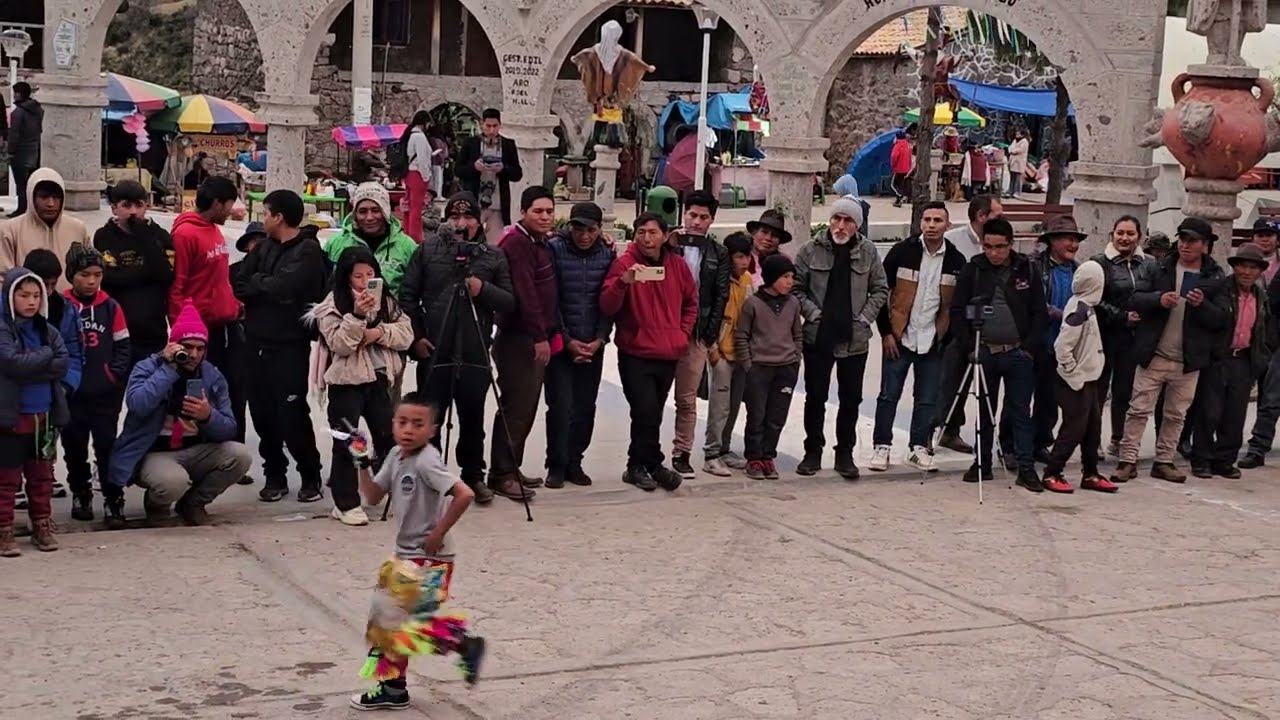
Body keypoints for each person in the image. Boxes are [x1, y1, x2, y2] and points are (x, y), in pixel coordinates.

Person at [347, 393, 484, 711]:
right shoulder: (396, 454)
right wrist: (362, 462)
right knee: (389, 625)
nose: (408, 430)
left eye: (418, 424)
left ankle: (458, 644)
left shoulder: (427, 460)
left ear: (432, 430)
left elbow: (463, 494)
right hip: (406, 554)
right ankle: (397, 685)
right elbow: (372, 496)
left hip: (431, 558)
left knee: (396, 626)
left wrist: (438, 534)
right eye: (402, 422)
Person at [400, 191, 515, 506]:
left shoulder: (493, 256)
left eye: (468, 218)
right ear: (445, 220)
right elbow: (408, 296)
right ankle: (428, 476)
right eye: (454, 218)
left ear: (480, 222)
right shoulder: (427, 251)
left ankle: (473, 475)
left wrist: (483, 289)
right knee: (430, 418)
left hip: (475, 348)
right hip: (435, 348)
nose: (461, 224)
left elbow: (509, 300)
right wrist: (416, 337)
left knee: (472, 418)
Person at [107, 300, 252, 526]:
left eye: (200, 348)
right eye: (188, 347)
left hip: (196, 449)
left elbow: (230, 427)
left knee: (240, 455)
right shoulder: (148, 367)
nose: (193, 354)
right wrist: (168, 369)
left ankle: (193, 503)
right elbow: (138, 404)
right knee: (173, 481)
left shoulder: (212, 376)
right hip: (154, 452)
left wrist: (208, 416)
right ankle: (157, 506)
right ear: (175, 344)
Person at [1112, 218, 1227, 485]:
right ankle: (1127, 460)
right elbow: (1134, 298)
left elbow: (1221, 319)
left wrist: (1203, 306)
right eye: (1182, 239)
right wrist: (1158, 300)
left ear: (1205, 245)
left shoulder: (1215, 276)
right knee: (1138, 409)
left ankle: (1164, 460)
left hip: (1188, 359)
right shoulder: (1160, 267)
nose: (1185, 245)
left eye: (1192, 241)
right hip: (1154, 353)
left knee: (1176, 415)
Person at [232, 190, 329, 503]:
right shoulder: (263, 248)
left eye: (266, 213)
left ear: (280, 217)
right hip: (255, 341)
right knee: (262, 413)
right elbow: (239, 280)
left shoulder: (308, 251)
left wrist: (261, 285)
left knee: (291, 411)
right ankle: (275, 472)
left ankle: (309, 473)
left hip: (289, 344)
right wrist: (264, 286)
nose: (263, 219)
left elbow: (287, 287)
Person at [311, 247, 414, 526]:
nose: (365, 281)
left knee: (387, 437)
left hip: (379, 378)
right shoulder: (331, 306)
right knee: (348, 441)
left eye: (370, 274)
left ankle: (388, 491)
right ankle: (345, 503)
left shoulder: (387, 302)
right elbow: (340, 344)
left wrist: (379, 332)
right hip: (346, 383)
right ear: (346, 278)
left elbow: (406, 334)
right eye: (358, 276)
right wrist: (356, 316)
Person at [792, 196, 889, 479]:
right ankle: (812, 452)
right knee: (815, 397)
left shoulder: (868, 251)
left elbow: (881, 289)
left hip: (855, 339)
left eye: (848, 221)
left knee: (851, 399)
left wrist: (864, 318)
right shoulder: (810, 250)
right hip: (817, 336)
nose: (841, 226)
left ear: (857, 225)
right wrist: (814, 314)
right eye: (837, 218)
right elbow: (797, 289)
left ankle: (845, 453)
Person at [600, 212, 697, 492]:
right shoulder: (624, 264)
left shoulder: (677, 266)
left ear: (665, 236)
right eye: (641, 232)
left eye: (653, 232)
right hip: (636, 351)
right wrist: (623, 283)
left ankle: (642, 464)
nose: (647, 238)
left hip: (668, 351)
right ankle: (646, 464)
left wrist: (682, 333)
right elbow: (607, 306)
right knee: (644, 410)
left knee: (652, 413)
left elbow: (691, 301)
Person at [949, 218, 1047, 491]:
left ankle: (1025, 467)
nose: (994, 253)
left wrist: (1028, 348)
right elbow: (957, 311)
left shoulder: (1026, 268)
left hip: (1018, 353)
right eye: (988, 246)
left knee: (1020, 413)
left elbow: (1040, 312)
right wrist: (970, 347)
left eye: (1000, 247)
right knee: (984, 410)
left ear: (1010, 244)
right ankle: (982, 462)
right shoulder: (974, 269)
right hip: (985, 352)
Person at [870, 201, 966, 473]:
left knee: (927, 398)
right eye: (927, 220)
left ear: (948, 225)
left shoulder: (956, 261)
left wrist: (945, 340)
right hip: (900, 338)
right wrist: (886, 333)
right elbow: (880, 293)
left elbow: (956, 307)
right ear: (920, 223)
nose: (932, 225)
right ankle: (882, 446)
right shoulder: (902, 252)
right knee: (889, 395)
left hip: (932, 341)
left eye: (938, 220)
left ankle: (918, 447)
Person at [488, 186, 558, 500]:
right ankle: (501, 473)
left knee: (526, 407)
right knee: (516, 407)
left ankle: (511, 466)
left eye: (548, 211)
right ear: (523, 213)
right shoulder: (517, 244)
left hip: (533, 337)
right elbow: (526, 295)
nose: (544, 217)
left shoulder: (539, 242)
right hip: (520, 339)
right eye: (537, 211)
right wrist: (539, 337)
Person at [169, 176, 245, 450]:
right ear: (216, 203)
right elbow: (177, 286)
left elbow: (218, 279)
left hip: (227, 325)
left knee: (233, 391)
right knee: (201, 394)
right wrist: (184, 334)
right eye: (229, 205)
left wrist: (234, 305)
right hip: (201, 332)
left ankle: (231, 449)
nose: (232, 211)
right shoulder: (185, 234)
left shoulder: (214, 229)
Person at [544, 202, 614, 489]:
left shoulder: (607, 255)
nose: (584, 236)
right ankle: (556, 464)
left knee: (585, 407)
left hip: (593, 342)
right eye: (578, 229)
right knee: (560, 406)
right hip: (562, 343)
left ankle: (575, 461)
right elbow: (552, 299)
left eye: (591, 230)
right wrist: (568, 339)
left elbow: (609, 302)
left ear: (599, 230)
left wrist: (599, 339)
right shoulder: (554, 249)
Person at [0, 267, 70, 556]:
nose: (31, 301)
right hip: (11, 419)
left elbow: (63, 362)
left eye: (36, 295)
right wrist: (43, 358)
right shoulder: (3, 328)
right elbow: (11, 362)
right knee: (7, 478)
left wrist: (31, 364)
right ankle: (4, 529)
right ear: (9, 296)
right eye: (23, 294)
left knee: (42, 475)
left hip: (44, 416)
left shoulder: (47, 329)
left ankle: (41, 524)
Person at [60, 245, 131, 526]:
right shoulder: (61, 304)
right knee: (74, 447)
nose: (91, 281)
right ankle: (81, 492)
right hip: (71, 394)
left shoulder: (110, 306)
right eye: (84, 274)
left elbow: (123, 347)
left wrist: (112, 376)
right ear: (71, 275)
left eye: (97, 274)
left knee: (106, 446)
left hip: (104, 394)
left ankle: (114, 498)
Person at [1187, 243, 1271, 479]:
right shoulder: (1219, 289)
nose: (1246, 272)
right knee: (1209, 412)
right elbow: (1208, 318)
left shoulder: (1260, 295)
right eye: (1243, 266)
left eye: (1252, 267)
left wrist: (1260, 358)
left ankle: (1224, 460)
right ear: (1235, 267)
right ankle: (1201, 459)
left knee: (1235, 415)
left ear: (1259, 271)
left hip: (1244, 360)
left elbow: (1264, 330)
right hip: (1218, 358)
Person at [668, 190, 730, 479]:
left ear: (712, 220)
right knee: (653, 397)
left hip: (696, 334)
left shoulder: (718, 253)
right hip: (663, 330)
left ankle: (682, 452)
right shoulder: (668, 245)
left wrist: (707, 336)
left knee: (687, 398)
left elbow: (721, 296)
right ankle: (645, 453)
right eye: (692, 215)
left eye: (703, 217)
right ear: (684, 214)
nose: (696, 222)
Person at [1040, 261, 1117, 493]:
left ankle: (1090, 472)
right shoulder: (1078, 310)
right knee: (1074, 428)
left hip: (1090, 377)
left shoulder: (1087, 305)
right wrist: (1073, 373)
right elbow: (1062, 346)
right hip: (1077, 380)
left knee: (1093, 427)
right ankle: (1052, 472)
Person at [935, 194, 1004, 452]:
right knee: (952, 380)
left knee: (988, 385)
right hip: (957, 324)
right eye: (997, 214)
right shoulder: (953, 242)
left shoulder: (1001, 244)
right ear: (981, 216)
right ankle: (947, 428)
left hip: (992, 327)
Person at [19, 249, 84, 504]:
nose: (45, 292)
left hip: (52, 391)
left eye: (51, 284)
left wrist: (68, 384)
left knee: (45, 445)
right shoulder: (11, 312)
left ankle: (41, 498)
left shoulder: (64, 309)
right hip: (17, 393)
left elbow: (74, 352)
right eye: (39, 285)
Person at [735, 254, 803, 480]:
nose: (789, 282)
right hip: (758, 369)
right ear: (772, 277)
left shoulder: (793, 303)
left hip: (786, 369)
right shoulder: (753, 303)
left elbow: (797, 334)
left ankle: (768, 456)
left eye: (792, 277)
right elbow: (742, 335)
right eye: (785, 277)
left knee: (777, 417)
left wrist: (795, 359)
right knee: (757, 415)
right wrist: (747, 363)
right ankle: (753, 457)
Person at [95, 180, 175, 365]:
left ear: (146, 206)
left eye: (138, 205)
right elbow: (111, 278)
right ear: (114, 208)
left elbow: (166, 276)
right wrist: (147, 273)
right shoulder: (104, 236)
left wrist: (145, 238)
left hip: (153, 331)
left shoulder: (160, 236)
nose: (133, 211)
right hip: (118, 330)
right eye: (126, 205)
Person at [1092, 215, 1151, 458]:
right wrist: (1121, 316)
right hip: (1104, 336)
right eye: (1120, 233)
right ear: (1112, 235)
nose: (1124, 238)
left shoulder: (1150, 264)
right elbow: (1094, 299)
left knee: (1124, 392)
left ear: (1140, 237)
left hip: (1133, 340)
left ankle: (1118, 438)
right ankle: (1092, 440)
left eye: (1130, 234)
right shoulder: (1099, 263)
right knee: (1097, 391)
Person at [1031, 216, 1085, 458]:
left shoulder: (1080, 271)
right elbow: (1033, 302)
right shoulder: (1035, 266)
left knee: (1050, 400)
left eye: (1075, 239)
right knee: (1020, 399)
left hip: (1063, 346)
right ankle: (1011, 445)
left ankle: (1040, 443)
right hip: (1037, 341)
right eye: (1067, 239)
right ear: (1052, 241)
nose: (1072, 244)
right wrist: (1057, 313)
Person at [703, 232, 755, 475]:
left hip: (741, 352)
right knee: (720, 405)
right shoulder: (718, 279)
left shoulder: (747, 281)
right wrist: (711, 347)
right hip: (720, 352)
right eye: (739, 257)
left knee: (734, 405)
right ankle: (711, 453)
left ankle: (724, 448)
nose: (744, 262)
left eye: (747, 257)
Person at [0, 168, 92, 288]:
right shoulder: (9, 230)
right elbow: (4, 279)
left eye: (56, 197)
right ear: (31, 197)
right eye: (44, 197)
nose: (50, 204)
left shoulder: (78, 229)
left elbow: (90, 271)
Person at [324, 182, 418, 297]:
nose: (369, 217)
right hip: (345, 313)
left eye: (375, 210)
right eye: (363, 211)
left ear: (385, 212)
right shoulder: (336, 243)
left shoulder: (407, 246)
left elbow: (415, 291)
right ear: (355, 214)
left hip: (392, 312)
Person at [455, 108, 523, 244]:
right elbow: (458, 170)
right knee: (469, 239)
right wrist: (474, 167)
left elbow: (517, 174)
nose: (492, 130)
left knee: (496, 243)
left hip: (498, 203)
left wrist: (503, 169)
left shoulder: (508, 145)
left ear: (500, 125)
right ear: (482, 124)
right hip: (475, 200)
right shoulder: (470, 143)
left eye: (495, 126)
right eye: (488, 126)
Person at [7, 82, 43, 219]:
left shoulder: (18, 113)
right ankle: (31, 208)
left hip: (20, 151)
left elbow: (14, 134)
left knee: (21, 183)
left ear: (18, 94)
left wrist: (10, 150)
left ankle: (21, 209)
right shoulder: (38, 110)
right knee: (31, 182)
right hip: (34, 150)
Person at [401, 111, 433, 243]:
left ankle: (407, 234)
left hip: (409, 173)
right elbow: (423, 159)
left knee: (409, 207)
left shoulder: (410, 135)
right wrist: (427, 176)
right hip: (417, 175)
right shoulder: (419, 137)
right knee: (416, 209)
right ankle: (416, 238)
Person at [746, 208, 792, 289]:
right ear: (754, 233)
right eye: (764, 232)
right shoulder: (742, 257)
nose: (768, 238)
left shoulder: (784, 262)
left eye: (774, 235)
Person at [889, 129, 913, 207]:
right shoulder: (907, 145)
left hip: (898, 168)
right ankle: (898, 201)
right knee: (900, 184)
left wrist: (893, 165)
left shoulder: (897, 145)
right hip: (906, 169)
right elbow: (910, 158)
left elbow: (894, 156)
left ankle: (900, 195)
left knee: (893, 185)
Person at [1006, 129, 1029, 198]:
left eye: (1018, 134)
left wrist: (1013, 151)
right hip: (1013, 161)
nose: (1016, 135)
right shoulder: (1014, 141)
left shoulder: (1024, 142)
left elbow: (1020, 150)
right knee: (1012, 177)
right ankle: (1011, 191)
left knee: (1018, 178)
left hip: (1019, 162)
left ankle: (1017, 192)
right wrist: (1011, 150)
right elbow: (1010, 148)